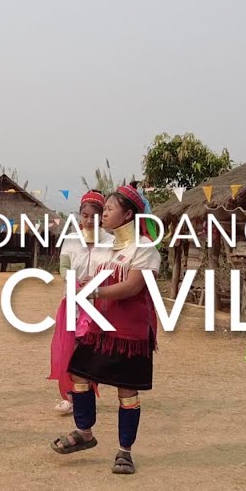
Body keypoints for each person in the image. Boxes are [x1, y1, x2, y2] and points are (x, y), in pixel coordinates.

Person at [51, 184, 160, 475]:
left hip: (130, 334)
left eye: (109, 209)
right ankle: (85, 433)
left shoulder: (144, 247)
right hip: (101, 327)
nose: (103, 215)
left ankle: (125, 451)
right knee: (79, 373)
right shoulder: (108, 247)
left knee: (127, 391)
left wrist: (93, 293)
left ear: (127, 214)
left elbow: (133, 286)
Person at [48, 190, 108, 415]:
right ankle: (71, 396)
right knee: (71, 350)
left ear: (101, 217)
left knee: (94, 351)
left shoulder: (110, 242)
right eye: (84, 215)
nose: (88, 220)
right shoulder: (72, 240)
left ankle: (88, 393)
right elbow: (63, 267)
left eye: (93, 216)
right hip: (73, 301)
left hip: (100, 304)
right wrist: (73, 279)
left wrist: (98, 281)